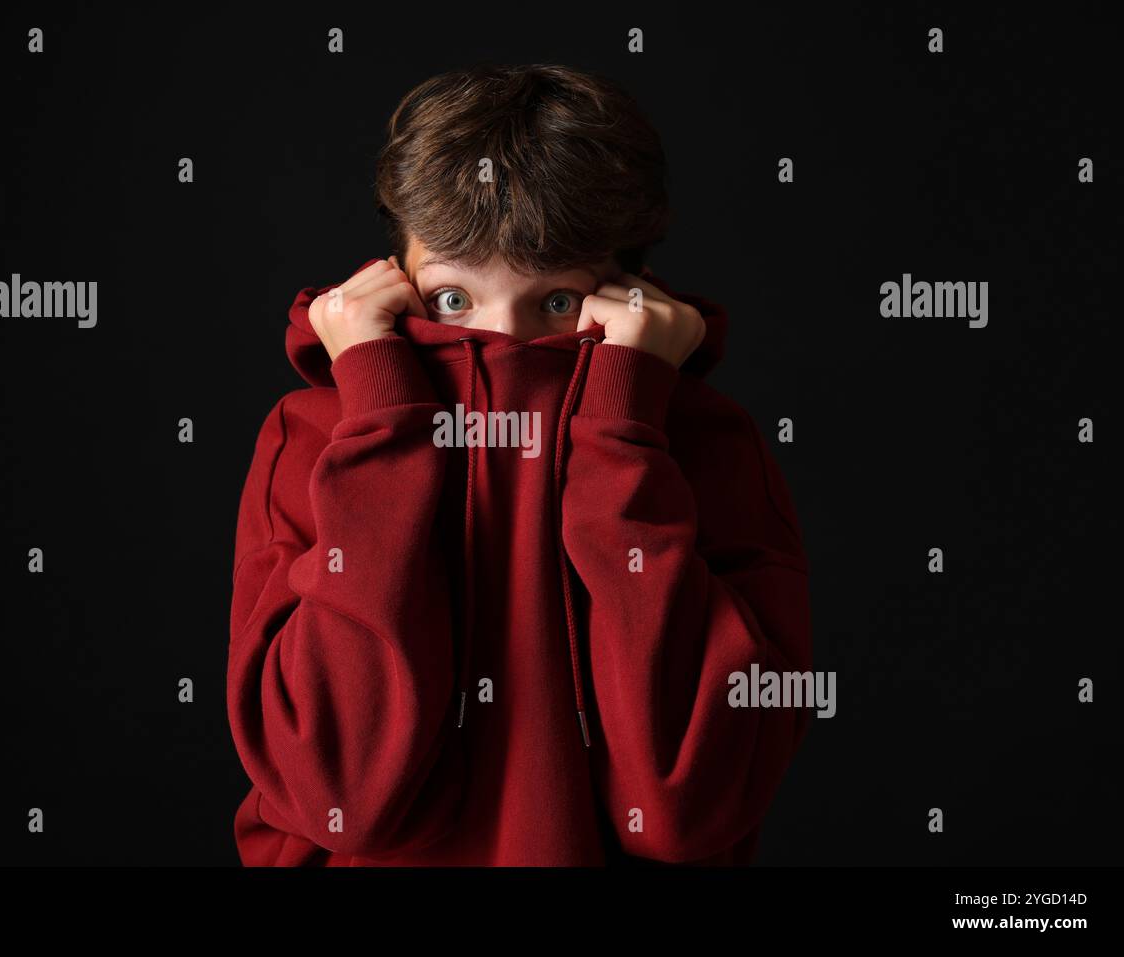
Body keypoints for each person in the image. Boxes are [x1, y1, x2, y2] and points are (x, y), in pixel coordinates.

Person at [226, 63, 813, 866]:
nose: (506, 338)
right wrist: (382, 427)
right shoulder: (316, 431)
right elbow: (339, 796)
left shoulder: (705, 439)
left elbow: (687, 805)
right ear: (392, 276)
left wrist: (623, 436)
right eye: (453, 301)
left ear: (627, 290)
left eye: (558, 303)